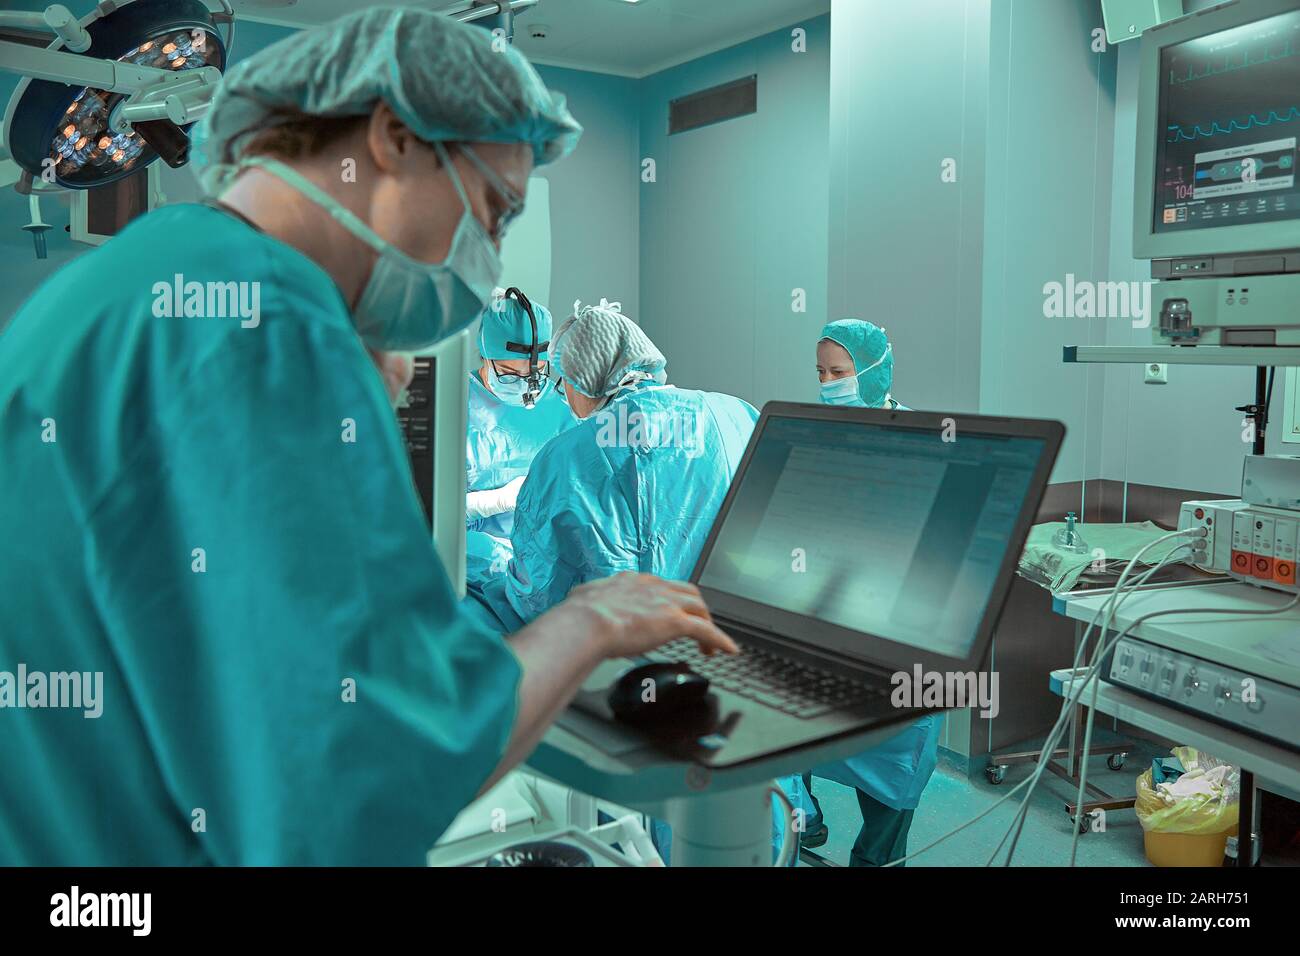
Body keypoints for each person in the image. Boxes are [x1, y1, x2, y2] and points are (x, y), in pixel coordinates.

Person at [0, 9, 736, 866]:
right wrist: (589, 621)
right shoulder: (276, 331)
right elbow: (373, 772)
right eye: (493, 215)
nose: (486, 264)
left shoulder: (150, 269)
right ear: (390, 138)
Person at [801, 318, 941, 866]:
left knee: (893, 752)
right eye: (820, 371)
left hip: (897, 630)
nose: (828, 382)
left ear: (875, 372)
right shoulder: (818, 430)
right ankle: (803, 818)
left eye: (840, 372)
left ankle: (879, 857)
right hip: (825, 614)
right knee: (802, 727)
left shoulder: (924, 440)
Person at [465, 287, 573, 586]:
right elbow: (429, 513)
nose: (526, 387)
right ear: (485, 355)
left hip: (549, 564)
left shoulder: (563, 404)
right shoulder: (453, 405)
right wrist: (496, 500)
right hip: (476, 565)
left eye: (535, 373)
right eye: (511, 375)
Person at [815, 318, 908, 410]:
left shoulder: (909, 423)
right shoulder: (818, 422)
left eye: (837, 372)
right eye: (821, 371)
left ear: (871, 374)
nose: (825, 380)